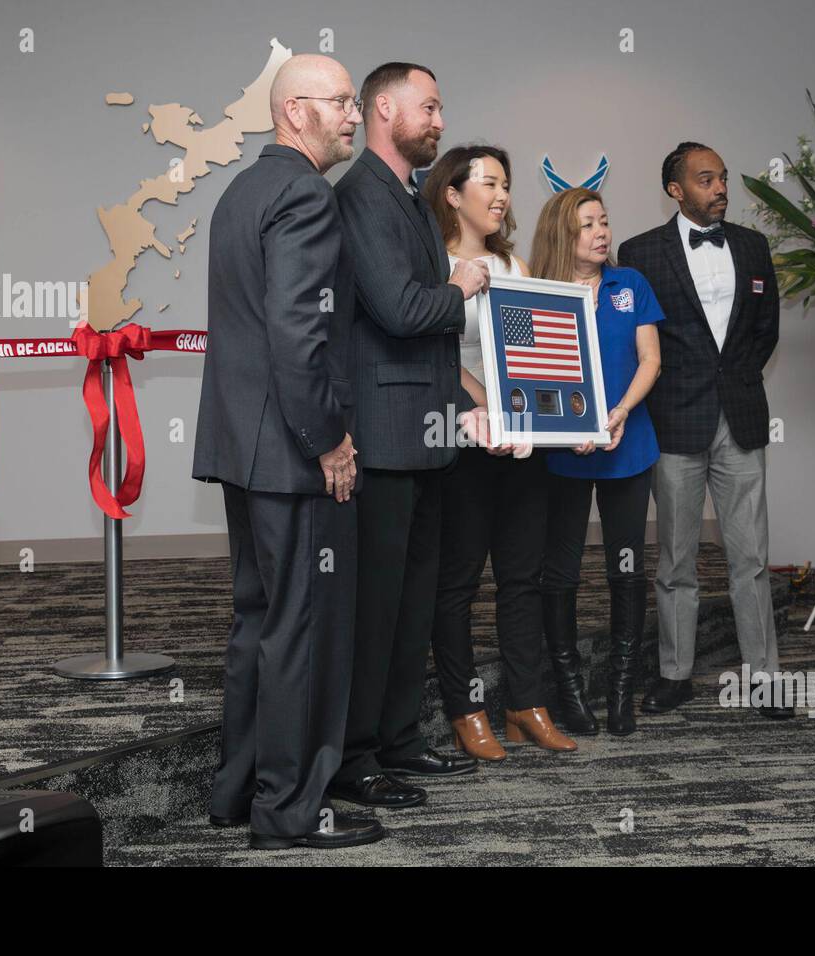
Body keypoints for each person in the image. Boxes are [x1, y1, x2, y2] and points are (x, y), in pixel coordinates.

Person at [190, 54, 383, 850]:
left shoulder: (243, 189)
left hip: (247, 451)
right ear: (294, 110)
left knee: (259, 624)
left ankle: (238, 790)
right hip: (296, 455)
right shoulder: (305, 193)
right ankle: (291, 811)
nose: (354, 115)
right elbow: (298, 336)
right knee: (300, 632)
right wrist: (331, 440)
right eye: (339, 102)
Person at [328, 63, 492, 809]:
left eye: (440, 107)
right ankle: (355, 758)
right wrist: (459, 287)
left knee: (412, 605)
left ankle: (400, 740)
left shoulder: (411, 199)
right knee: (377, 609)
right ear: (382, 107)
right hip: (386, 439)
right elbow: (397, 309)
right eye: (428, 107)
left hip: (426, 436)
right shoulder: (360, 193)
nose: (438, 119)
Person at [616, 142, 791, 719]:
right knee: (675, 561)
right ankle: (674, 674)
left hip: (739, 417)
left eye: (722, 179)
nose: (720, 188)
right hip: (672, 422)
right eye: (705, 179)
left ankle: (764, 678)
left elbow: (765, 331)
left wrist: (735, 377)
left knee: (752, 558)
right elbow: (639, 340)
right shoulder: (638, 252)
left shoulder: (752, 245)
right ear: (676, 189)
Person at [423, 145, 577, 761]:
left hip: (522, 444)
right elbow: (437, 353)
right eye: (488, 182)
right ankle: (466, 710)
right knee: (457, 583)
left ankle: (525, 702)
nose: (502, 194)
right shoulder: (434, 264)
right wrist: (488, 404)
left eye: (507, 184)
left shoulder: (515, 264)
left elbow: (538, 358)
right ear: (453, 193)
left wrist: (569, 409)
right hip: (463, 441)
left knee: (523, 578)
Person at [533, 187, 663, 737]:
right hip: (561, 455)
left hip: (626, 448)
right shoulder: (539, 294)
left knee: (625, 570)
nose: (601, 232)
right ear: (565, 233)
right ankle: (568, 691)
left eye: (605, 221)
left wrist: (620, 413)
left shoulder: (629, 285)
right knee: (560, 574)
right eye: (588, 224)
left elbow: (650, 358)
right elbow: (531, 376)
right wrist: (570, 427)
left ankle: (619, 692)